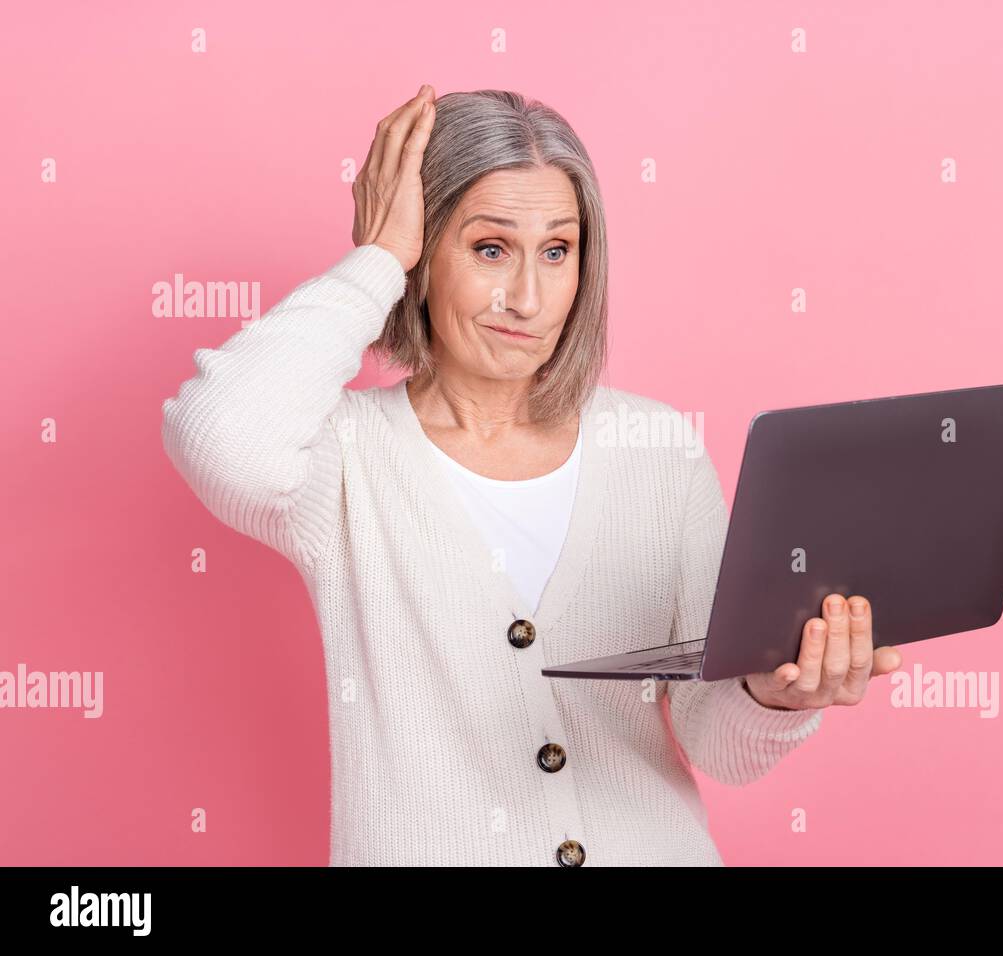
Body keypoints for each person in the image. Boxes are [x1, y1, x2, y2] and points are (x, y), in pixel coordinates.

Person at [161, 84, 904, 867]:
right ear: (424, 252)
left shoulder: (656, 449)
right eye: (489, 249)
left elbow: (713, 737)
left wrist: (773, 696)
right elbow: (223, 435)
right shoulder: (345, 460)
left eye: (557, 251)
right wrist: (375, 260)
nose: (527, 298)